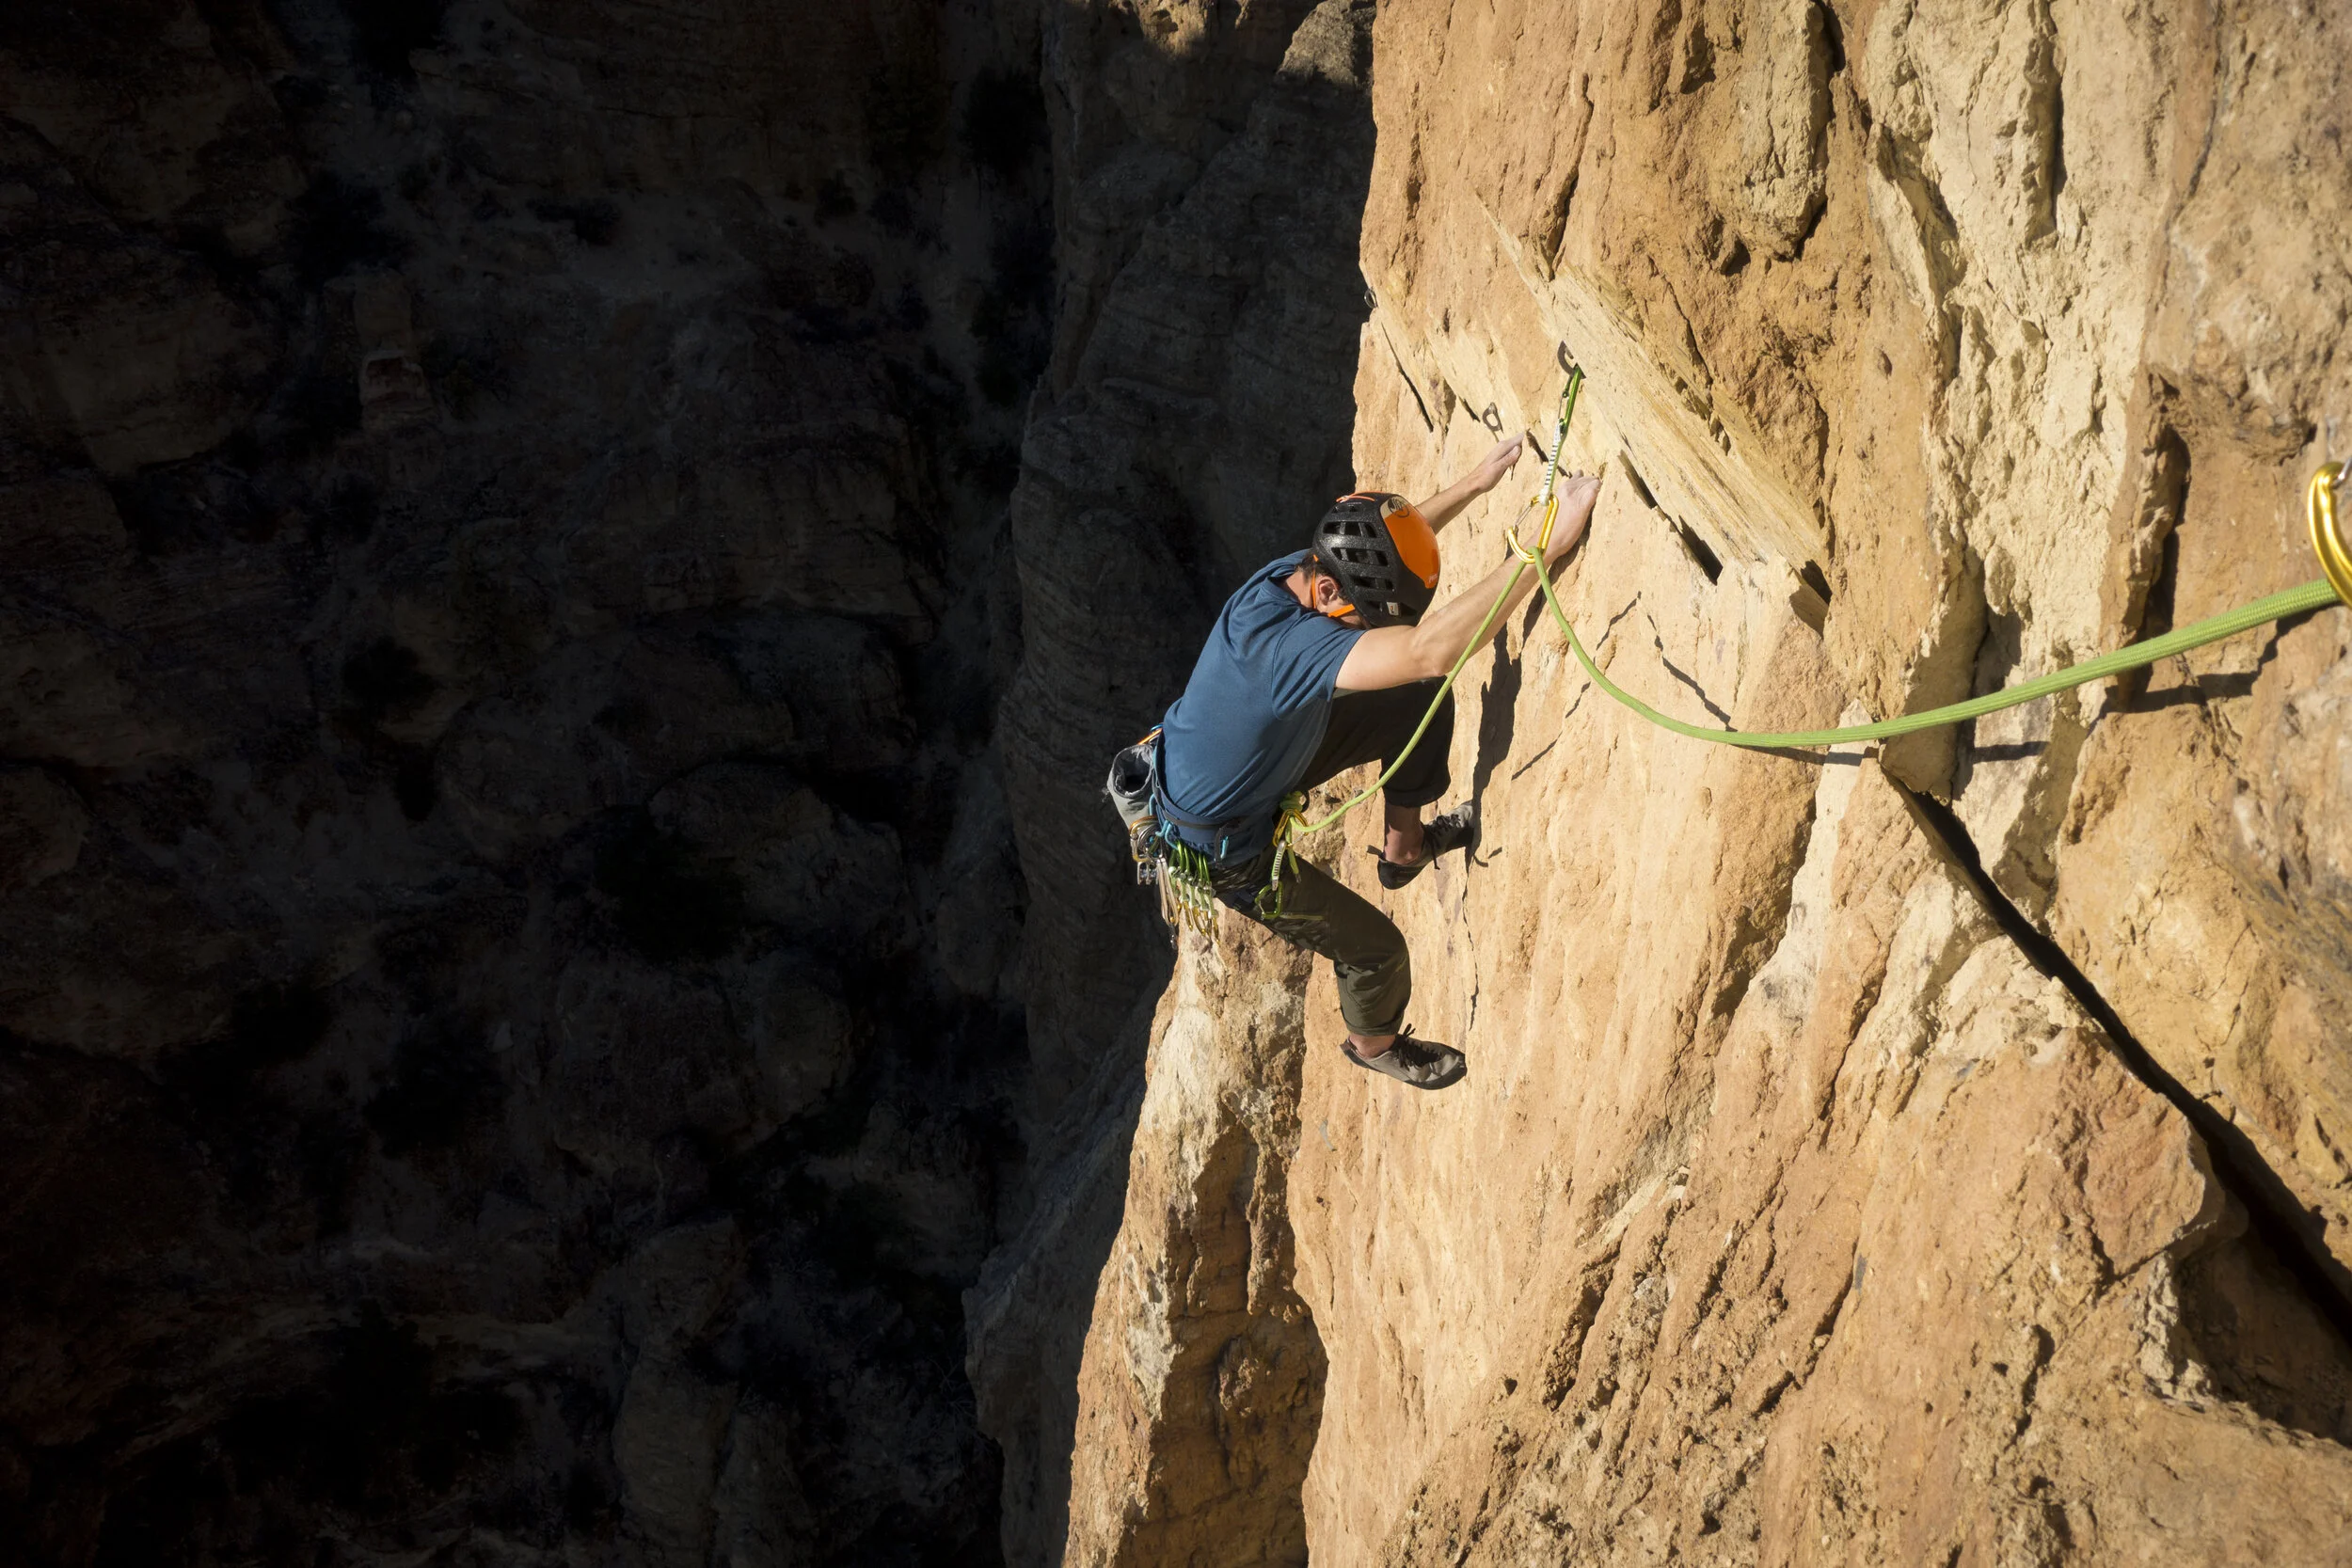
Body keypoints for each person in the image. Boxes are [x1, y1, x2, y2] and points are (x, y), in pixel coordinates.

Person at [1152, 435, 1600, 1088]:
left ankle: (1404, 851)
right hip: (1225, 845)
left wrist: (1474, 485)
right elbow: (1428, 651)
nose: (1368, 627)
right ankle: (1374, 1043)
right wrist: (1541, 548)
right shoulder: (1289, 655)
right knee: (1376, 951)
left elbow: (1380, 552)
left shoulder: (1296, 576)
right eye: (1364, 617)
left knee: (1413, 696)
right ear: (1330, 590)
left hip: (1245, 761)